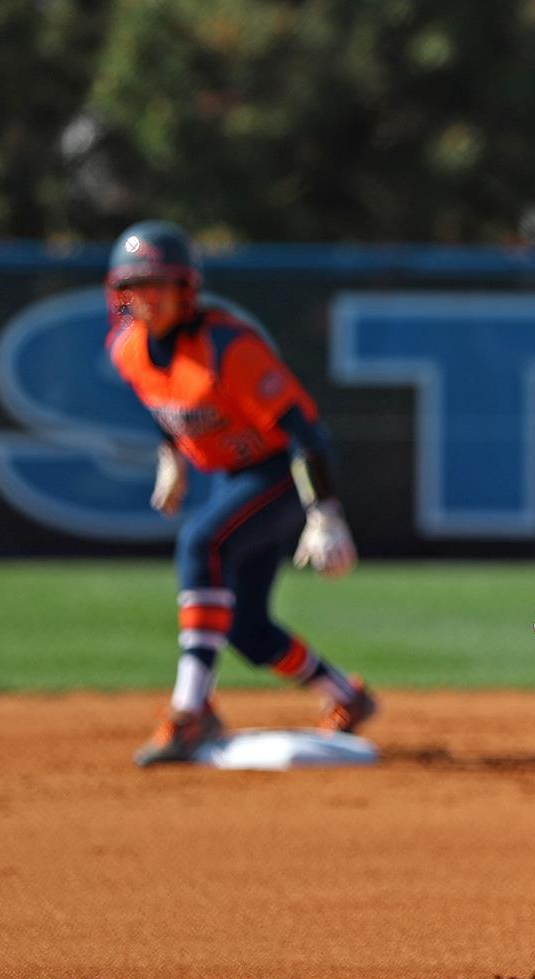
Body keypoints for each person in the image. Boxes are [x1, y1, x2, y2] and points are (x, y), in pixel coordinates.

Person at [105, 220, 378, 766]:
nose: (146, 298)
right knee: (247, 628)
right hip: (232, 476)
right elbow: (166, 406)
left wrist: (323, 512)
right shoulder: (127, 351)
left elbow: (308, 433)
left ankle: (190, 709)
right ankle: (347, 696)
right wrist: (172, 458)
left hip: (278, 473)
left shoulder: (229, 346)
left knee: (200, 542)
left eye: (158, 284)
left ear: (186, 289)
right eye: (135, 286)